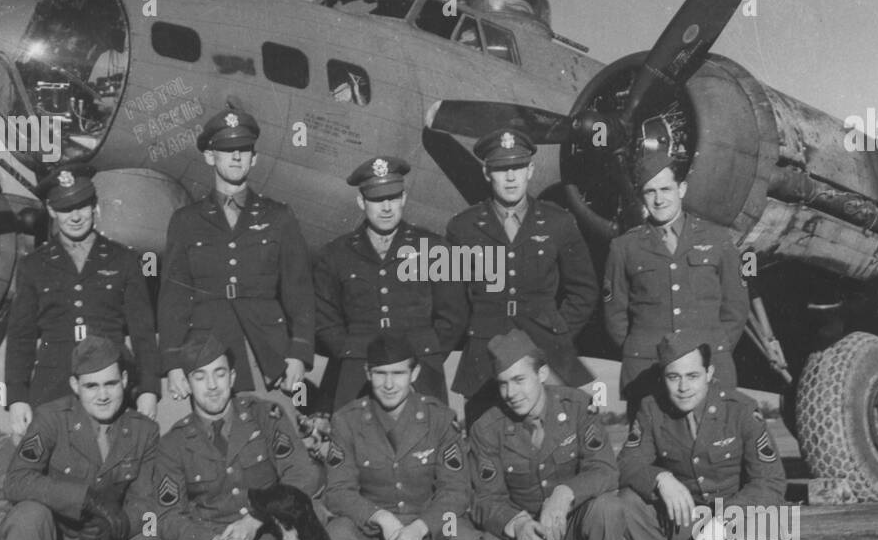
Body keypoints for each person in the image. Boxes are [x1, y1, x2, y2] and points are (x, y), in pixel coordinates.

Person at [470, 330, 661, 540]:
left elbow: (605, 470)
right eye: (503, 383)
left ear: (542, 373)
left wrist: (564, 493)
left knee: (608, 506)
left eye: (519, 380)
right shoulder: (486, 427)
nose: (511, 392)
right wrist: (517, 523)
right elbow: (483, 499)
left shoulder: (577, 406)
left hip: (569, 532)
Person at [0, 335, 168, 540]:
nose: (103, 395)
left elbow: (148, 505)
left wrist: (118, 525)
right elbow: (16, 481)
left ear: (126, 381)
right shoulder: (49, 419)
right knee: (26, 514)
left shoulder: (144, 431)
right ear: (75, 384)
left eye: (111, 383)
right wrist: (85, 499)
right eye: (91, 386)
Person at [148, 332, 320, 540]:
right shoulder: (173, 443)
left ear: (233, 376)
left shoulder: (265, 415)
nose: (212, 386)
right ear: (187, 383)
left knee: (316, 535)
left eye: (219, 373)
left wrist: (256, 519)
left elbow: (303, 475)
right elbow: (167, 518)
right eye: (200, 377)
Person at [617, 331, 785, 540]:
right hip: (693, 522)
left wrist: (725, 519)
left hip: (743, 518)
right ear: (663, 376)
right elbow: (625, 463)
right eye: (673, 377)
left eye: (692, 376)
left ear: (709, 373)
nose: (683, 387)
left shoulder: (741, 410)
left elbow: (771, 481)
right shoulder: (651, 409)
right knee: (627, 501)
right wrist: (660, 479)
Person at [324, 332, 483, 540]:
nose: (389, 384)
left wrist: (421, 527)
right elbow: (337, 491)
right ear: (367, 373)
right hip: (375, 531)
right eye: (380, 374)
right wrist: (382, 519)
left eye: (398, 373)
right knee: (337, 534)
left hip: (427, 528)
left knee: (463, 537)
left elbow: (456, 490)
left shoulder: (438, 418)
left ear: (415, 373)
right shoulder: (347, 420)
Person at [157, 106, 314, 407]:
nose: (236, 157)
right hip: (209, 355)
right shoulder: (185, 221)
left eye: (244, 150)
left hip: (269, 354)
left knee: (277, 437)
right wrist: (173, 363)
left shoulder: (279, 217)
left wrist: (299, 354)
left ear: (254, 158)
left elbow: (300, 293)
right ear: (209, 156)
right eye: (227, 150)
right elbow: (173, 298)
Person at [444, 127, 599, 429]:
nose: (511, 177)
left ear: (530, 169)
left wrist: (558, 331)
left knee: (558, 447)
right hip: (484, 360)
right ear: (487, 172)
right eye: (502, 169)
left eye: (517, 167)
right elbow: (452, 299)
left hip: (548, 354)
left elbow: (584, 290)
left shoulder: (559, 222)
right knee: (486, 450)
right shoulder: (462, 228)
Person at [4, 164, 160, 441]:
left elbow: (143, 333)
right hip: (53, 387)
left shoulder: (124, 259)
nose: (75, 216)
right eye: (65, 208)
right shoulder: (33, 266)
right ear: (51, 210)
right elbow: (20, 337)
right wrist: (17, 397)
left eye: (82, 206)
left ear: (94, 206)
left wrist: (149, 389)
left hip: (111, 387)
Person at [603, 151, 749, 408]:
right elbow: (615, 314)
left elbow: (735, 307)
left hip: (709, 368)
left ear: (681, 189)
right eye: (650, 192)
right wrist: (640, 348)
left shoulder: (717, 239)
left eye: (666, 189)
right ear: (641, 196)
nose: (659, 199)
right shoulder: (624, 247)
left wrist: (714, 348)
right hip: (646, 370)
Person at [313, 155, 458, 411]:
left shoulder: (433, 248)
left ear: (403, 198)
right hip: (357, 373)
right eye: (378, 200)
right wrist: (350, 352)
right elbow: (325, 318)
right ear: (361, 201)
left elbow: (453, 314)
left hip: (421, 371)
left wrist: (428, 355)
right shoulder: (335, 254)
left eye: (392, 197)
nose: (387, 207)